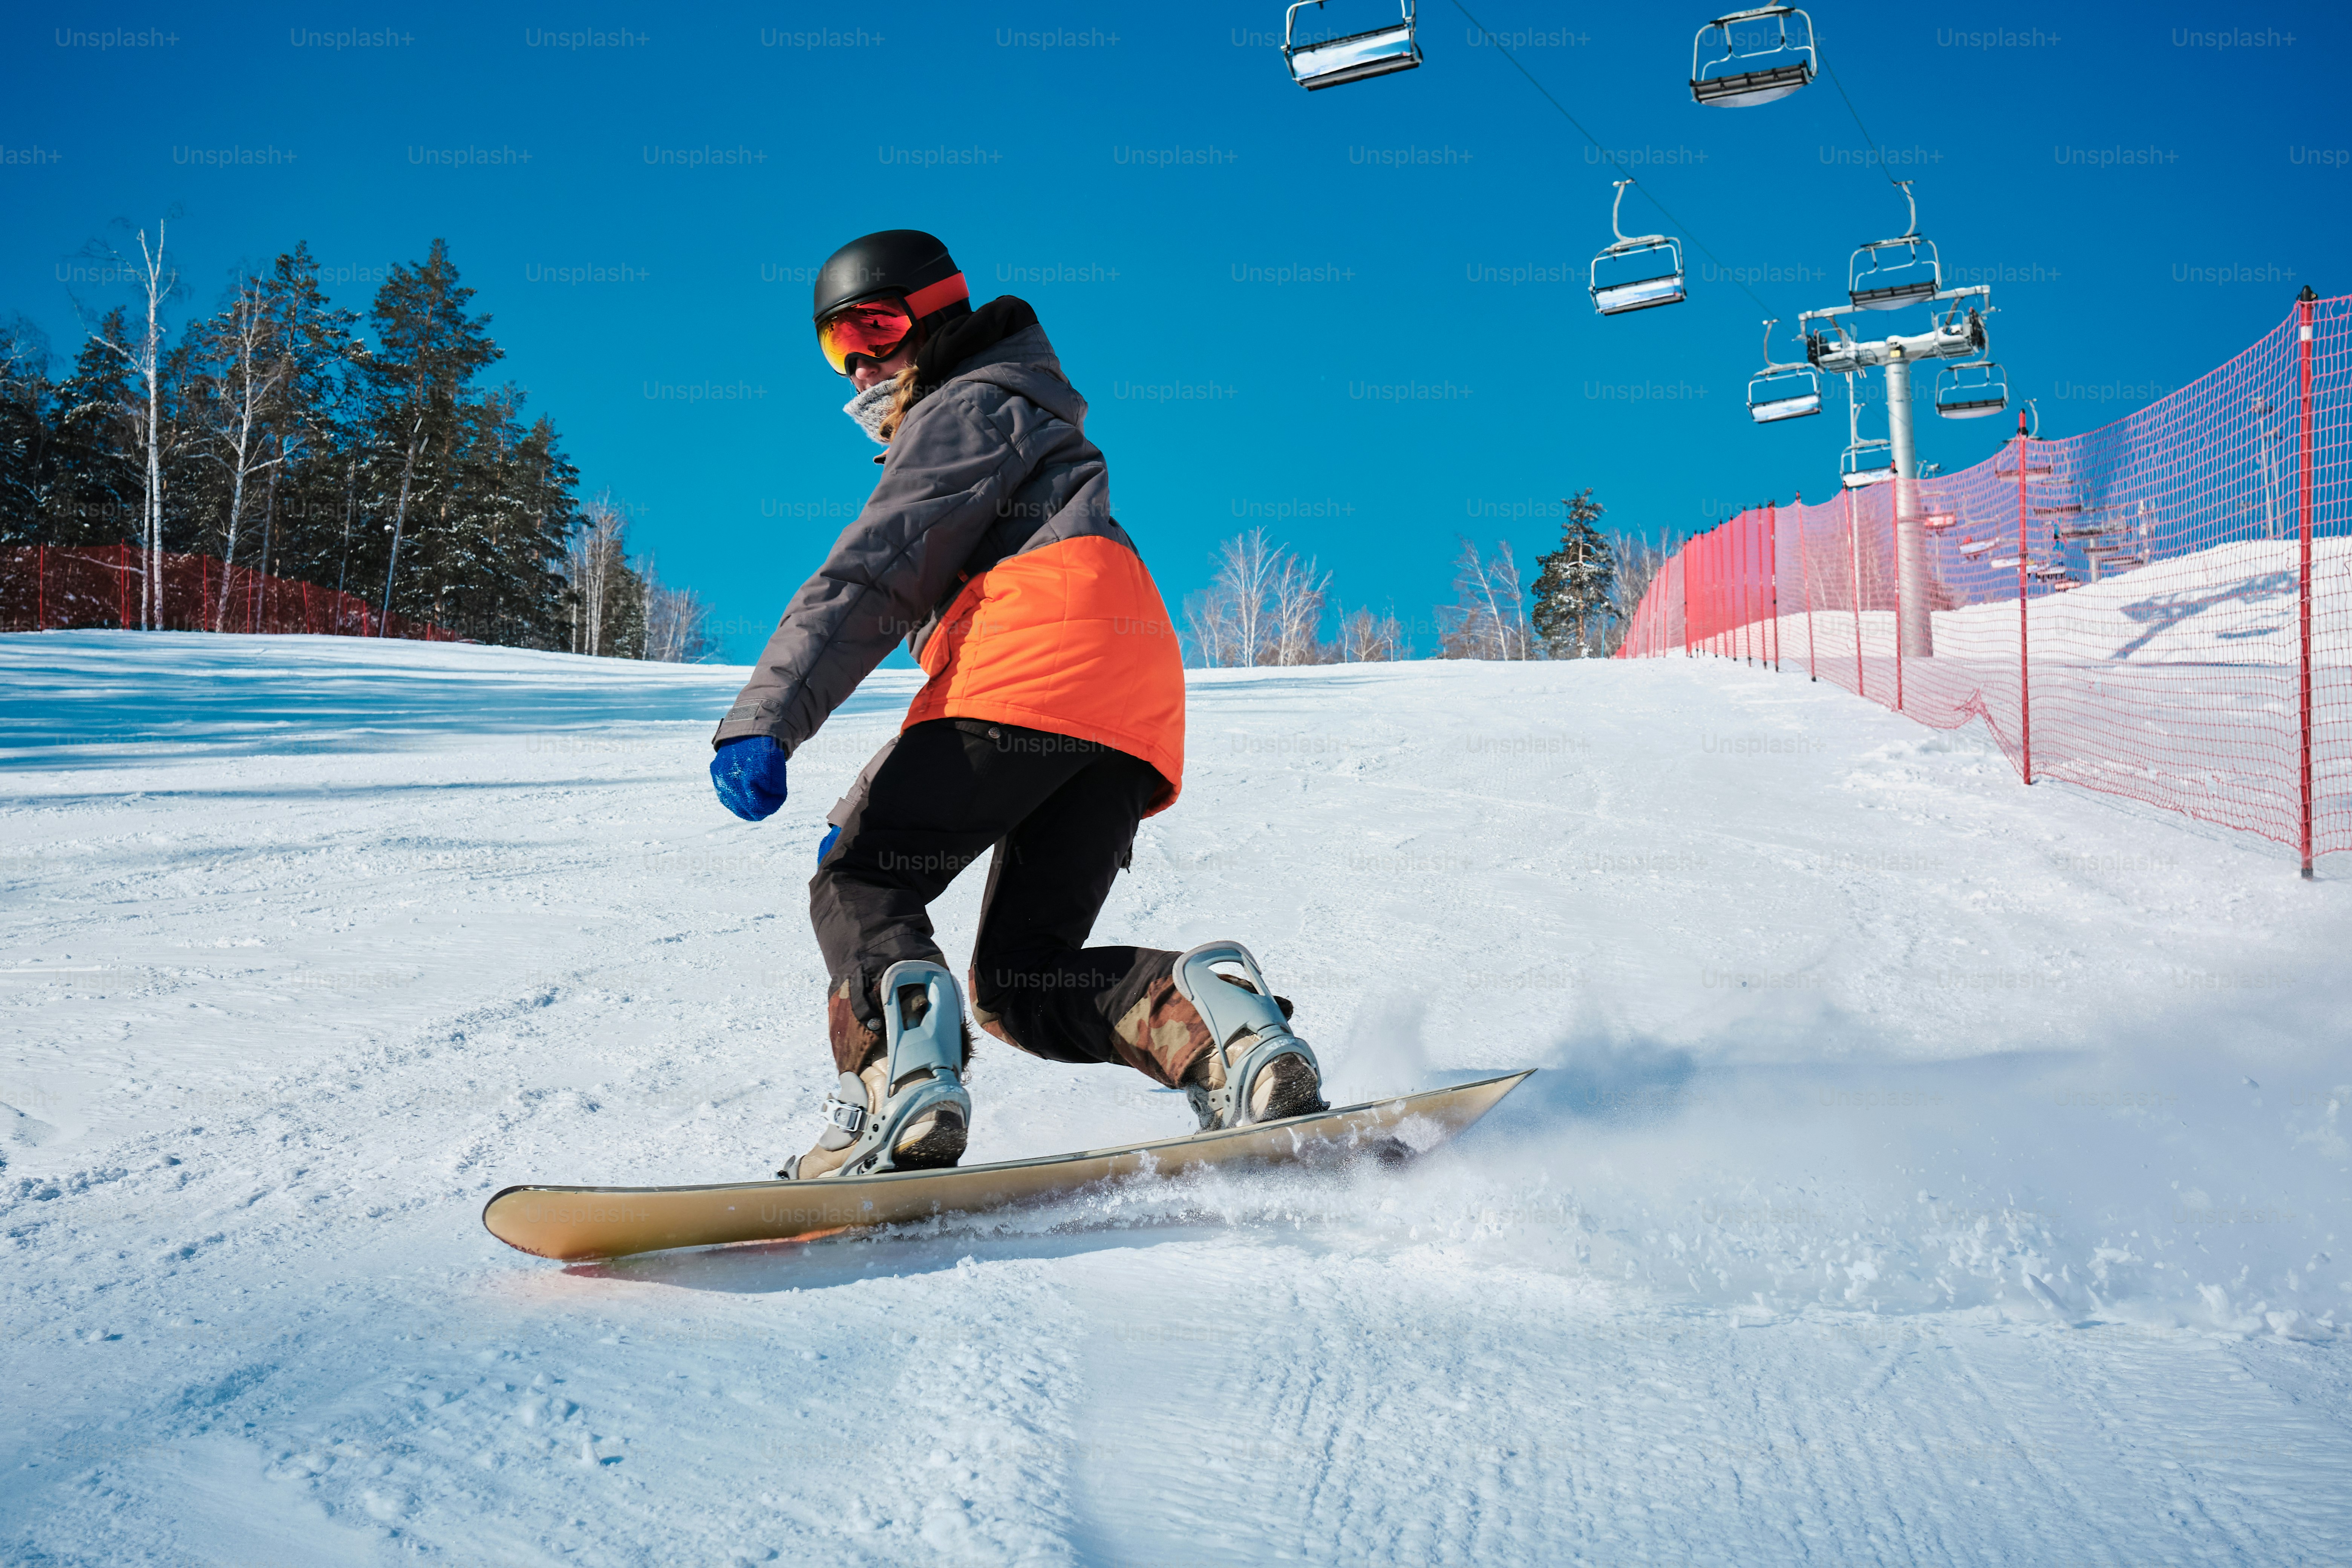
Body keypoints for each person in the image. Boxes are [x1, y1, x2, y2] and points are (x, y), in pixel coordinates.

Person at [709, 229, 1325, 1180]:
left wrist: (767, 715)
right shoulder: (1023, 413)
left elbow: (874, 573)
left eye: (876, 327)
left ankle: (900, 1086)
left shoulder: (967, 406)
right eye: (838, 346)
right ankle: (1230, 1040)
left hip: (1036, 662)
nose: (862, 363)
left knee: (859, 877)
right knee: (1021, 981)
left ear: (939, 316)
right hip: (1125, 704)